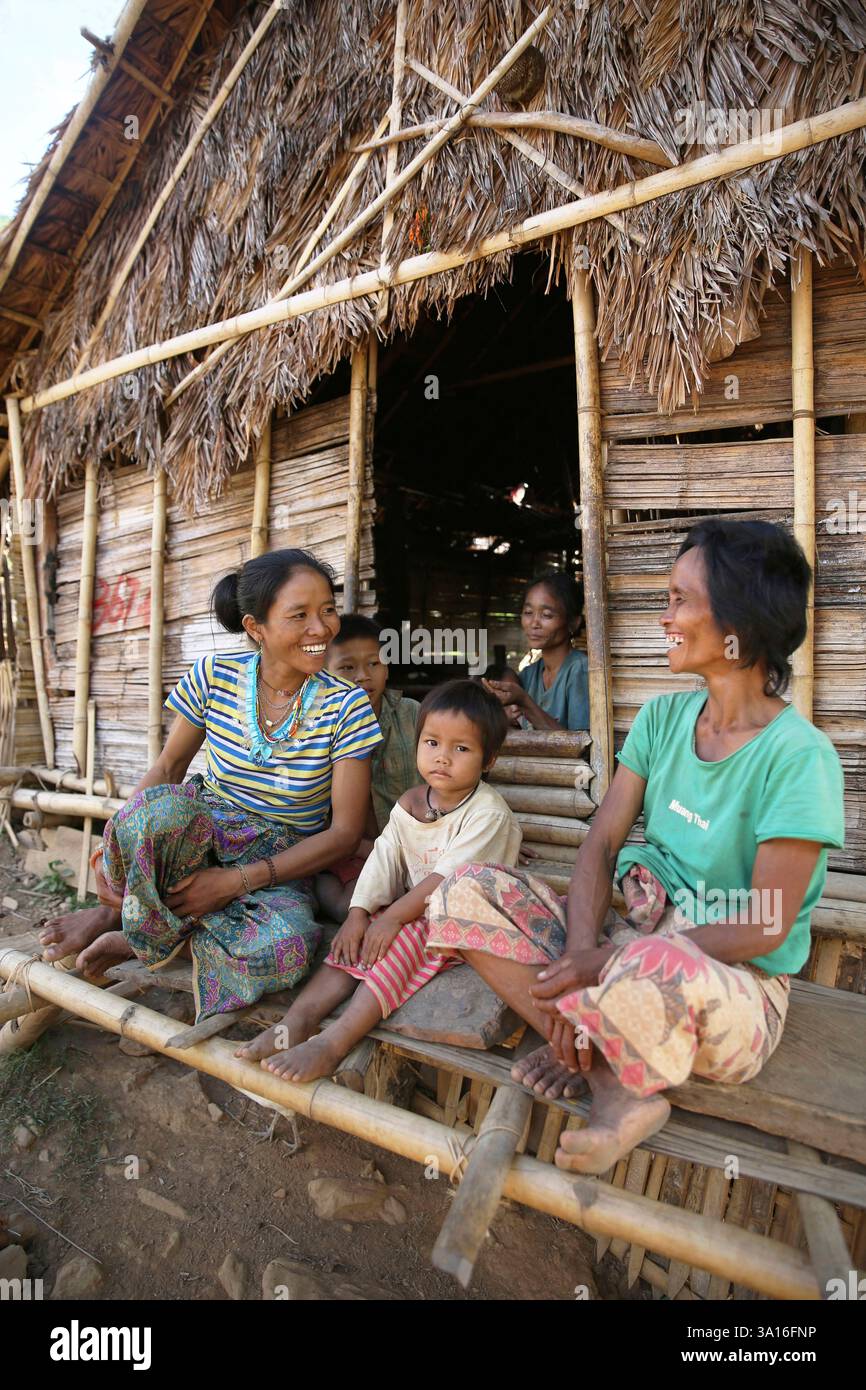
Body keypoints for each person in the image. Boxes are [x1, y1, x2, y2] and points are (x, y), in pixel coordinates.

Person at [426, 519, 844, 1174]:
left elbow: (767, 923)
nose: (663, 616)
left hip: (724, 983)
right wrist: (581, 954)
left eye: (680, 599)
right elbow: (601, 845)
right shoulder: (661, 720)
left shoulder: (800, 757)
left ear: (739, 619)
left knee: (652, 964)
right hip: (629, 940)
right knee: (464, 892)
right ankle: (601, 1062)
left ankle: (603, 1067)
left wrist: (612, 964)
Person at [39, 549, 382, 1019]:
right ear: (255, 627)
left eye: (327, 610)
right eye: (299, 615)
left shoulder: (347, 707)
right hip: (202, 830)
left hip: (278, 860)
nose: (321, 629)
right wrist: (114, 841)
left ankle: (141, 934)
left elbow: (343, 835)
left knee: (289, 946)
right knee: (153, 815)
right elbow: (167, 768)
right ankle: (120, 913)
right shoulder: (214, 675)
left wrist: (233, 882)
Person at [236, 679, 521, 1082]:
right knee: (355, 942)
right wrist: (359, 914)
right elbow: (383, 858)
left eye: (461, 748)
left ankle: (333, 1042)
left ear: (488, 760)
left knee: (398, 940)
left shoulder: (487, 813)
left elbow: (446, 879)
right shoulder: (411, 803)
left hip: (468, 924)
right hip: (419, 908)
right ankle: (295, 1023)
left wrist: (391, 919)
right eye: (432, 742)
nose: (442, 758)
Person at [316, 615, 421, 920]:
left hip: (405, 850)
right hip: (346, 851)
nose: (363, 676)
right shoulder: (317, 727)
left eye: (374, 664)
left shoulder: (412, 716)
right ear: (323, 674)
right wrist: (365, 849)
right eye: (347, 667)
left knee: (365, 900)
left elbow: (448, 782)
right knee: (337, 901)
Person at [484, 570, 589, 731]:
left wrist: (524, 702)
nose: (534, 623)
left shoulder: (580, 670)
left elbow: (584, 747)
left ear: (573, 623)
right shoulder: (528, 674)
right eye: (528, 613)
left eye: (546, 615)